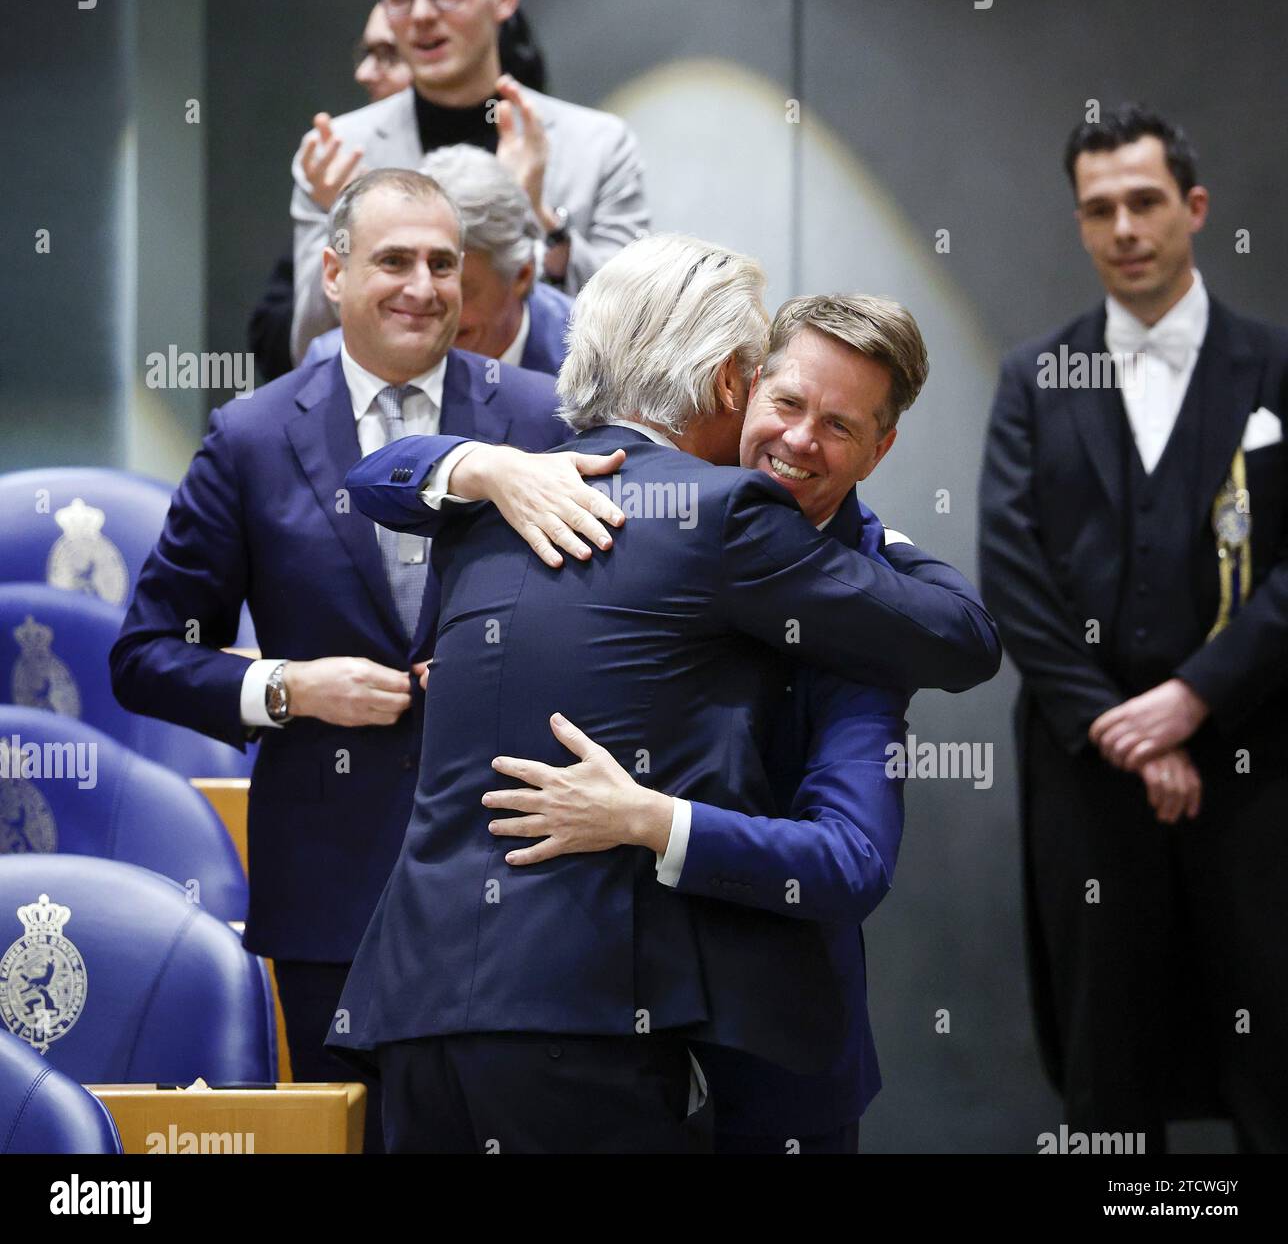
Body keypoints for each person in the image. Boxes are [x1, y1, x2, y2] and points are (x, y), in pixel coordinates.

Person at [328, 234, 1000, 1153]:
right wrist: (475, 463)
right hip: (590, 1017)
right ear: (738, 385)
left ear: (880, 450)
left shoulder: (494, 517)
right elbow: (382, 485)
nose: (801, 439)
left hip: (466, 1016)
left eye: (839, 426)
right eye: (786, 397)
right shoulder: (551, 495)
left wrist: (655, 819)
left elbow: (855, 848)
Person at [110, 168, 572, 1152]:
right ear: (333, 271)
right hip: (329, 885)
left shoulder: (541, 419)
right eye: (393, 259)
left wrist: (520, 672)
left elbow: (609, 622)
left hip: (517, 873)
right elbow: (145, 655)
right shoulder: (251, 435)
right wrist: (285, 688)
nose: (422, 285)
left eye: (443, 263)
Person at [978, 105, 1288, 1152]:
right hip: (1088, 772)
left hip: (1258, 758)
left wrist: (1193, 699)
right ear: (1078, 223)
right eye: (1098, 208)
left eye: (1144, 201)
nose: (1124, 227)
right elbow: (1012, 574)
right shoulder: (1033, 378)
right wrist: (1120, 727)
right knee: (1105, 1070)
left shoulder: (1276, 368)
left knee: (1274, 1046)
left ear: (1193, 208)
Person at [289, 0, 649, 365]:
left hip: (555, 431)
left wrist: (540, 215)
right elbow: (307, 349)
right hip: (391, 430)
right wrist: (349, 225)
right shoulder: (339, 153)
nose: (420, 15)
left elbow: (635, 340)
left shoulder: (600, 145)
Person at [248, 3, 412, 383]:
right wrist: (347, 217)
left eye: (388, 55)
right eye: (365, 53)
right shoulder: (338, 164)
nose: (364, 72)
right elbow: (283, 338)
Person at [302, 144, 572, 374]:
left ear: (521, 277)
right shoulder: (332, 362)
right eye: (397, 263)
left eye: (444, 270)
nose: (423, 296)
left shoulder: (594, 358)